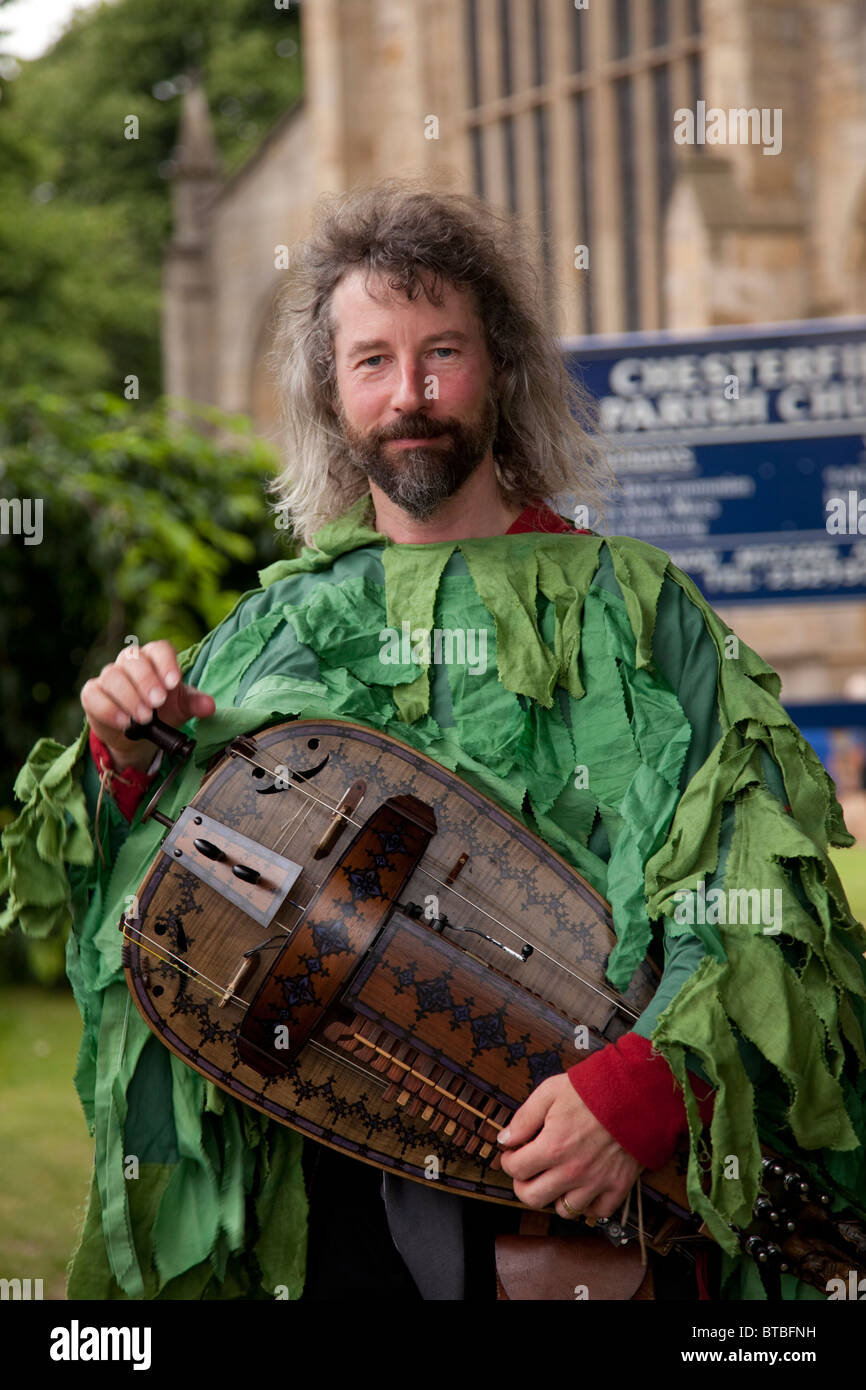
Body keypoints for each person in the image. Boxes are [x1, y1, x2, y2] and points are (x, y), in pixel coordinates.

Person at [3, 180, 865, 1302]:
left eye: (440, 352)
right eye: (371, 361)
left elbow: (763, 891)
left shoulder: (635, 607)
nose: (408, 393)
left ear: (499, 369)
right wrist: (122, 757)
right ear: (330, 391)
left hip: (594, 1198)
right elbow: (150, 908)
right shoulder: (277, 631)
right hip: (327, 1209)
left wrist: (647, 1088)